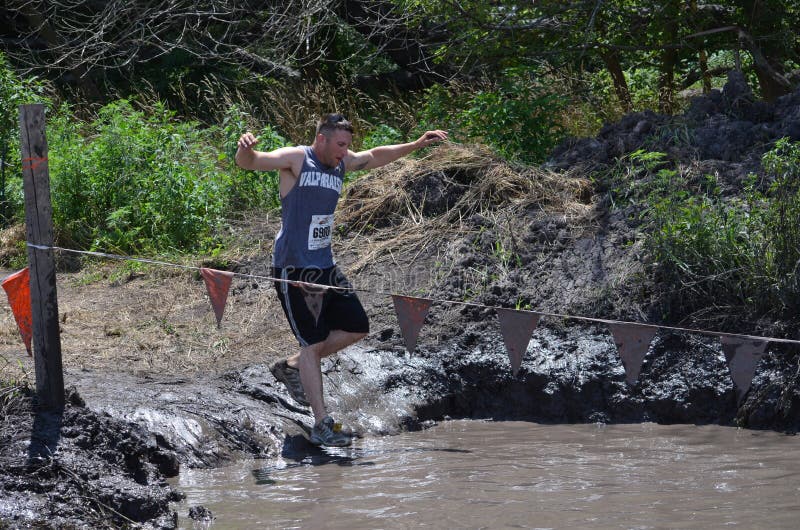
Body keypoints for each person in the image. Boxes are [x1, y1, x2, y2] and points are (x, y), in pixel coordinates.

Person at [236, 113, 447, 446]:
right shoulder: (296, 159)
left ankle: (291, 366)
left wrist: (418, 144)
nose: (345, 152)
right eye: (340, 144)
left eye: (348, 146)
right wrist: (245, 149)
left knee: (357, 326)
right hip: (294, 269)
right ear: (321, 138)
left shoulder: (340, 163)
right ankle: (321, 424)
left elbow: (377, 155)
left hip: (326, 265)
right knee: (312, 343)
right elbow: (253, 162)